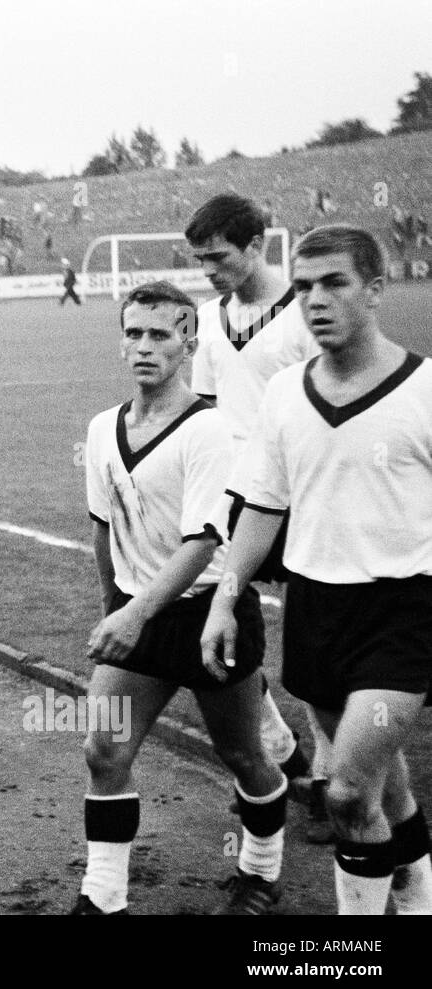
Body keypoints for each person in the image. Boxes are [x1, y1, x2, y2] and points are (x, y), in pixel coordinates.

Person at [201, 226, 432, 915]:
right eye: (303, 287)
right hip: (315, 611)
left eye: (334, 283)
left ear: (376, 289)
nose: (315, 300)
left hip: (403, 615)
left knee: (344, 791)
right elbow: (262, 508)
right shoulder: (282, 395)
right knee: (385, 787)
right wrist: (224, 598)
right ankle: (418, 898)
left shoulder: (424, 389)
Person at [74, 281, 288, 916]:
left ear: (189, 340)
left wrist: (134, 615)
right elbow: (102, 527)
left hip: (206, 615)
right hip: (139, 616)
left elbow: (203, 542)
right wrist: (114, 608)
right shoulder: (100, 428)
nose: (144, 346)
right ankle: (103, 896)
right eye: (133, 333)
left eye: (160, 334)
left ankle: (260, 871)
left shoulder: (210, 430)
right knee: (103, 749)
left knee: (244, 754)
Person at [185, 193, 326, 838]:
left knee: (317, 652)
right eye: (201, 261)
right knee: (214, 632)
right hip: (235, 499)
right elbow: (206, 412)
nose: (210, 272)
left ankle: (328, 780)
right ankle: (280, 747)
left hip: (303, 499)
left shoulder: (305, 314)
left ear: (257, 244)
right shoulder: (211, 320)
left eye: (218, 258)